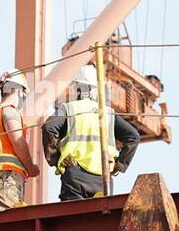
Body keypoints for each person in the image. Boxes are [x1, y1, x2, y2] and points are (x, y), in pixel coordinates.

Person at [43, 64, 140, 200]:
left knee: (74, 219)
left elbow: (48, 127)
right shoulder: (109, 113)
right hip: (104, 178)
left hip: (75, 172)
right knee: (101, 219)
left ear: (77, 88)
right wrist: (119, 165)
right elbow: (133, 137)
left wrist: (56, 159)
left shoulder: (69, 108)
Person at [0, 70, 41, 211]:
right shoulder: (9, 111)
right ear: (18, 90)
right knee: (9, 222)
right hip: (6, 179)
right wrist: (31, 168)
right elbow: (17, 141)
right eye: (24, 94)